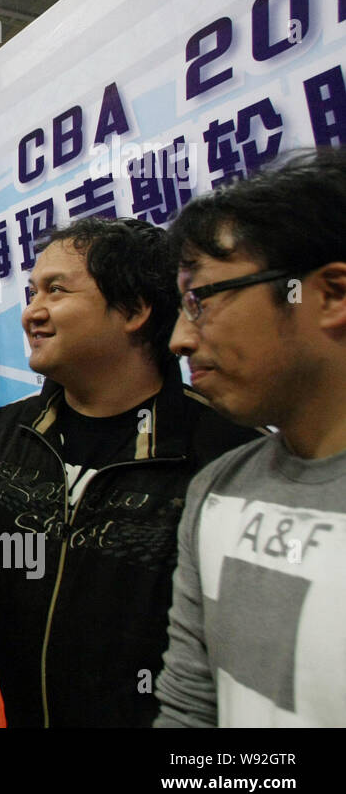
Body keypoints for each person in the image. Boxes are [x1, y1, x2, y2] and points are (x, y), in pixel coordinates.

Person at [0, 217, 260, 727]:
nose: (31, 312)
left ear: (134, 310)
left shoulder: (222, 455)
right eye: (30, 292)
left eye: (55, 290)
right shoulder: (11, 436)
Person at [155, 149, 346, 726]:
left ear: (330, 295)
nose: (180, 340)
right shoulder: (218, 490)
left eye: (201, 300)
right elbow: (190, 710)